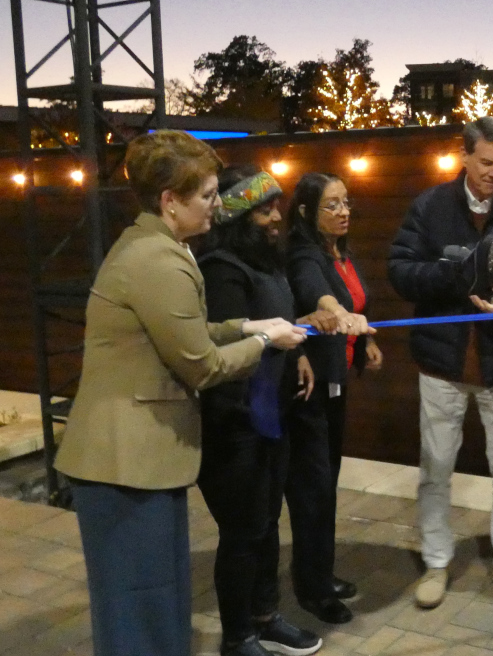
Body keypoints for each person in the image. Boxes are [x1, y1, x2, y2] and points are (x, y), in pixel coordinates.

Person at [54, 131, 307, 656]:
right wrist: (264, 342)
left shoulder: (159, 247)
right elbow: (202, 366)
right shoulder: (159, 261)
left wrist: (246, 325)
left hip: (142, 460)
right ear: (170, 200)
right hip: (123, 462)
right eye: (208, 195)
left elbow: (186, 332)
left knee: (157, 600)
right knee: (138, 607)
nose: (218, 205)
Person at [387, 117, 493, 614]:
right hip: (441, 365)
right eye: (486, 162)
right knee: (435, 469)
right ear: (464, 157)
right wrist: (452, 277)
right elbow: (399, 271)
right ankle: (436, 562)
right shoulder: (430, 206)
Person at [200, 166, 352, 656]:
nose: (274, 218)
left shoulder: (267, 262)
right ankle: (238, 635)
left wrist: (299, 351)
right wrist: (282, 339)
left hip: (272, 412)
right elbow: (230, 341)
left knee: (266, 524)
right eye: (262, 210)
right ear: (236, 216)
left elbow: (278, 322)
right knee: (244, 532)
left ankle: (265, 618)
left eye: (274, 207)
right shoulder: (222, 269)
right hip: (237, 421)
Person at [286, 172, 382, 624]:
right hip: (308, 387)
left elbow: (357, 303)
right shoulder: (302, 251)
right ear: (307, 212)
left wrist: (366, 341)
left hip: (336, 381)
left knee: (327, 484)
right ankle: (312, 588)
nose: (344, 212)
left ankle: (320, 572)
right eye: (332, 205)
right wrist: (340, 314)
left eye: (346, 203)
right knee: (313, 488)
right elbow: (317, 294)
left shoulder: (341, 252)